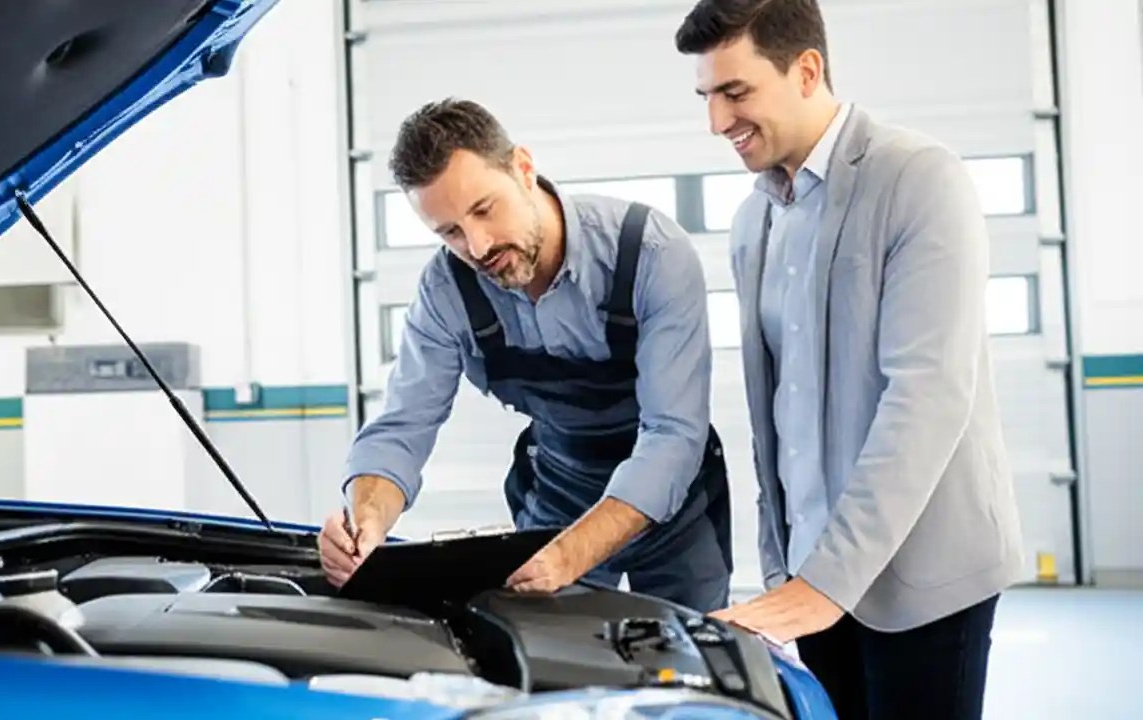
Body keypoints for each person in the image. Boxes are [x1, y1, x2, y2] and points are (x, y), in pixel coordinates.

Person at [672, 1, 1024, 718]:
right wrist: (787, 567)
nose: (717, 121)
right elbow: (776, 416)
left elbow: (926, 397)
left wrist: (824, 584)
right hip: (808, 575)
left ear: (806, 71)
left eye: (735, 92)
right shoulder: (753, 221)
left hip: (925, 577)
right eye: (707, 97)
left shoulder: (919, 179)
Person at [316, 98, 733, 611]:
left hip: (679, 509)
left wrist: (573, 554)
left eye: (484, 209)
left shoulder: (650, 253)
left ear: (524, 169)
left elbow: (673, 436)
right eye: (448, 232)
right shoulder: (447, 291)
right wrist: (365, 522)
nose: (477, 245)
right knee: (554, 660)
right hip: (558, 491)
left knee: (702, 655)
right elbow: (404, 426)